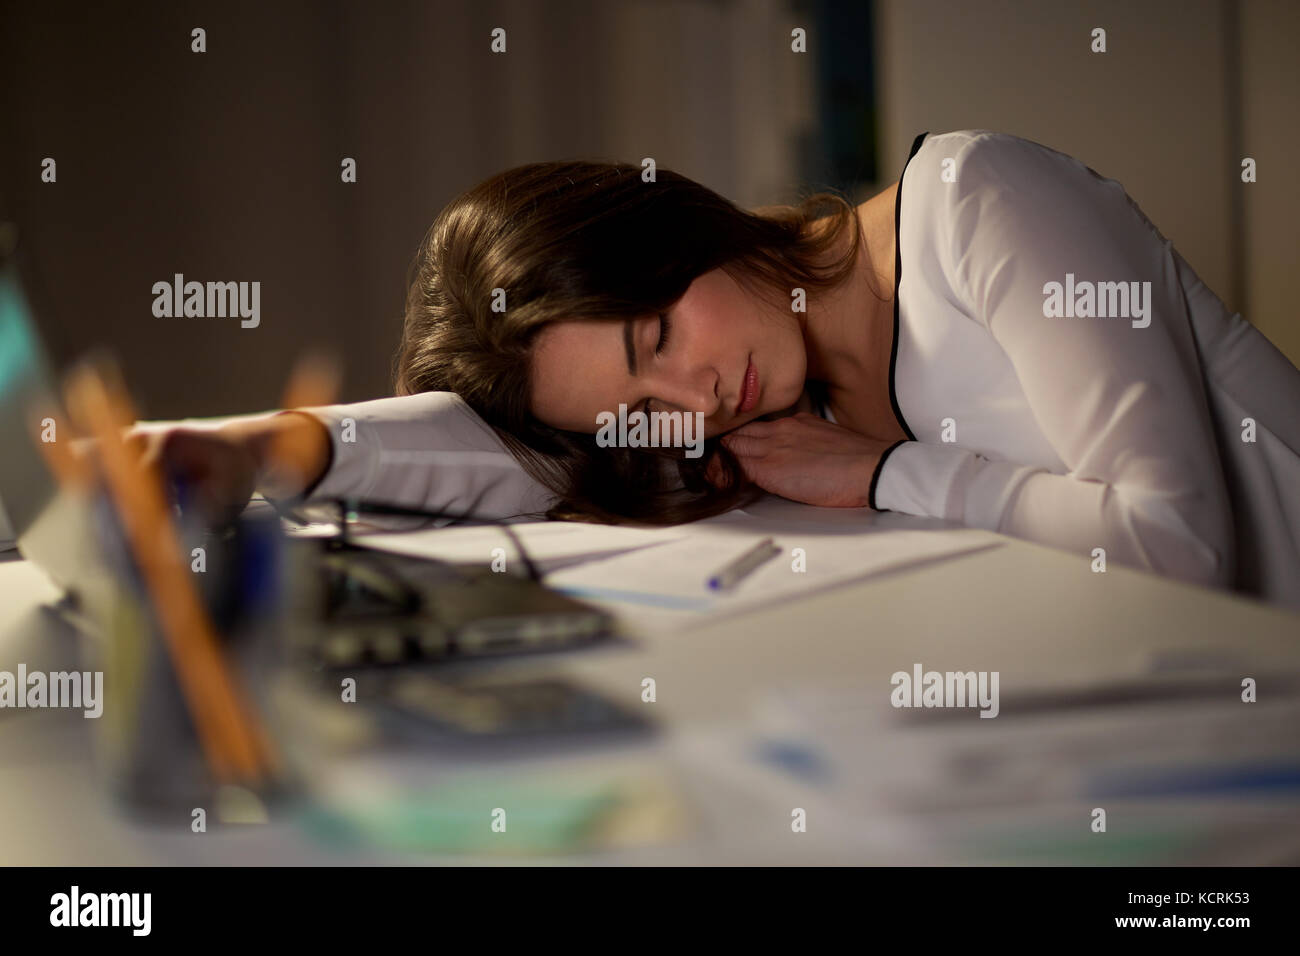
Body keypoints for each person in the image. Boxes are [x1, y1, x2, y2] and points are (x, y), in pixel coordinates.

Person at [131, 130, 1300, 609]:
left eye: (655, 341)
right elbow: (525, 458)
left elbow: (1180, 542)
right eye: (641, 409)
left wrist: (893, 472)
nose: (695, 401)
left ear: (675, 227)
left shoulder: (980, 201)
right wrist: (266, 445)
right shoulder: (782, 407)